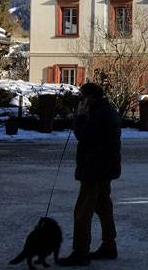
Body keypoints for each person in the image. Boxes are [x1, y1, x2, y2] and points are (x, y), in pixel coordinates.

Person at [58, 82, 122, 267]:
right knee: (103, 207)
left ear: (89, 98)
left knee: (82, 211)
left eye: (82, 97)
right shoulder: (107, 110)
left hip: (95, 169)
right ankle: (109, 245)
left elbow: (84, 135)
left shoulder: (96, 114)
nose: (80, 100)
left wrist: (80, 117)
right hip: (105, 168)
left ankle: (80, 252)